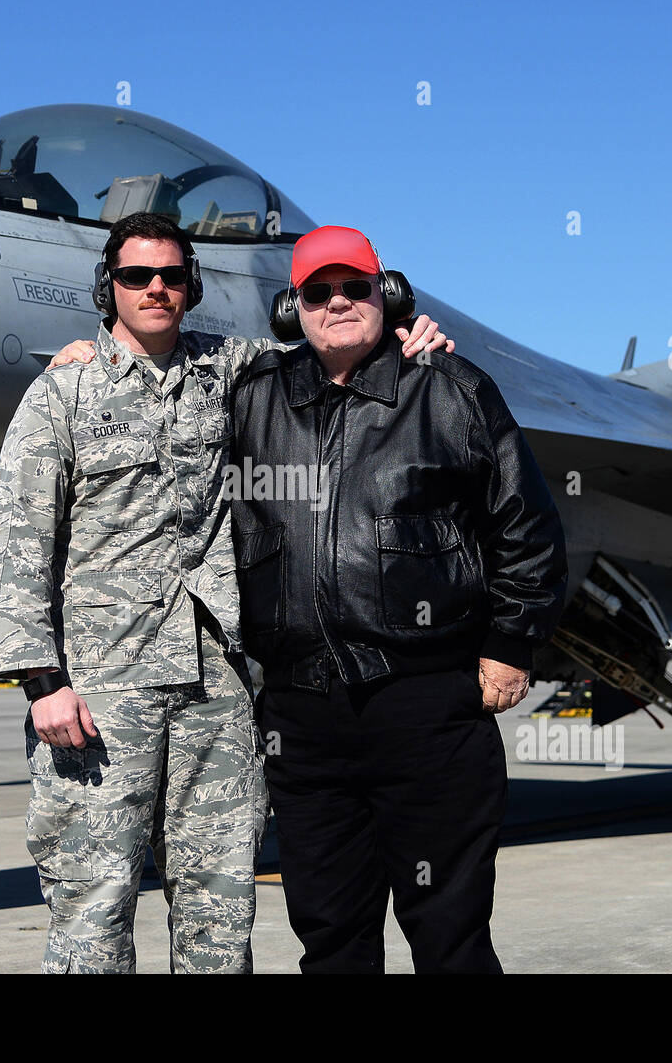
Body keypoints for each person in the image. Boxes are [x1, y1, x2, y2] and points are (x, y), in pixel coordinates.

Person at [0, 211, 450, 974]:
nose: (155, 288)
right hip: (102, 692)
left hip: (217, 688)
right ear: (108, 287)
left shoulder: (235, 370)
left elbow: (330, 352)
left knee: (220, 909)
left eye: (171, 275)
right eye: (136, 276)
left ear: (191, 285)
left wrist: (404, 340)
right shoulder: (62, 394)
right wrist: (41, 683)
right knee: (93, 907)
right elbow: (15, 543)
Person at [229, 225, 569, 973]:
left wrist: (511, 642)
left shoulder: (449, 390)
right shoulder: (253, 400)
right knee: (331, 938)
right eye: (318, 292)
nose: (337, 303)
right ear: (293, 308)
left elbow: (527, 524)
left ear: (387, 295)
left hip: (425, 705)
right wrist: (87, 360)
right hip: (302, 719)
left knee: (448, 936)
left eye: (354, 287)